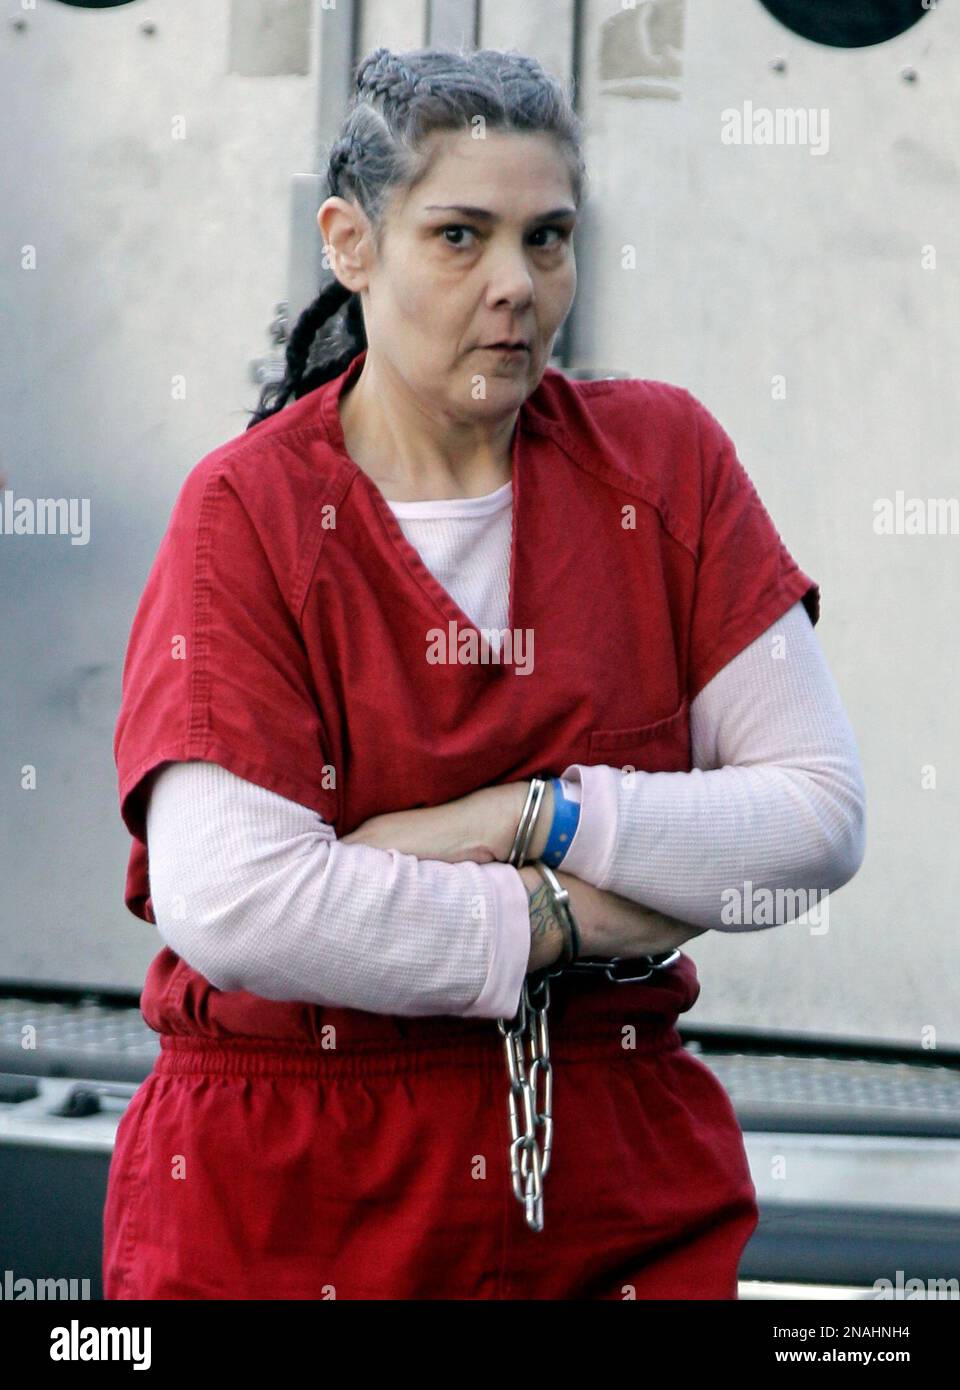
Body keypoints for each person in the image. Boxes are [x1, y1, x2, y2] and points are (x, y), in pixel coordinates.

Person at [103, 44, 866, 1300]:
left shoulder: (663, 464)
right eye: (461, 236)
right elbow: (237, 901)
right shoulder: (245, 512)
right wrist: (562, 919)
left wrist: (530, 813)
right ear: (350, 243)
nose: (517, 285)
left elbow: (814, 820)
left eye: (548, 238)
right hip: (292, 1196)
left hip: (613, 1173)